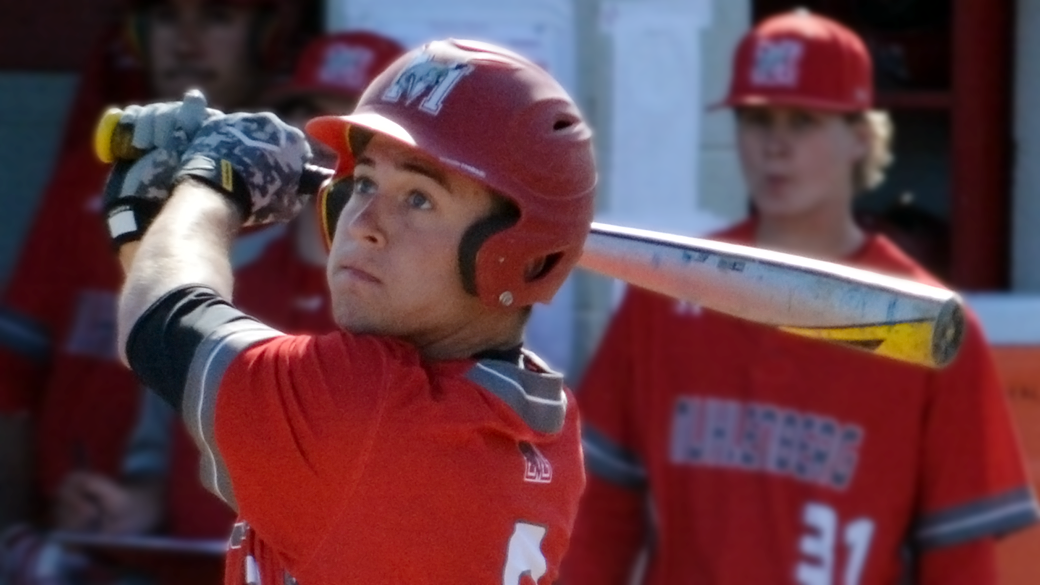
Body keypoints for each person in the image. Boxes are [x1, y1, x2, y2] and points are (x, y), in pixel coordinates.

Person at [559, 10, 1038, 585]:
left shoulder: (922, 323)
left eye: (803, 121)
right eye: (757, 119)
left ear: (861, 137)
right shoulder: (671, 289)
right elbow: (597, 515)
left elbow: (962, 564)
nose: (775, 146)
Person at [102, 38, 594, 583]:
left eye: (418, 198)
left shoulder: (367, 408)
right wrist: (154, 225)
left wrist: (214, 184)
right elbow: (165, 321)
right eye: (364, 182)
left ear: (518, 257)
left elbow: (160, 321)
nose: (364, 224)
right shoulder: (541, 417)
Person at [43, 31, 404, 585]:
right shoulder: (222, 270)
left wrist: (205, 192)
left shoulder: (413, 312)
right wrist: (127, 508)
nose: (330, 162)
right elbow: (160, 450)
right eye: (309, 120)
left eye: (353, 138)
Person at [0, 0, 308, 579]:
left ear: (268, 39)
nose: (187, 42)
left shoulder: (307, 205)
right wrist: (11, 537)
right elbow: (11, 376)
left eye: (217, 18)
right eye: (166, 19)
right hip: (82, 548)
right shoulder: (89, 184)